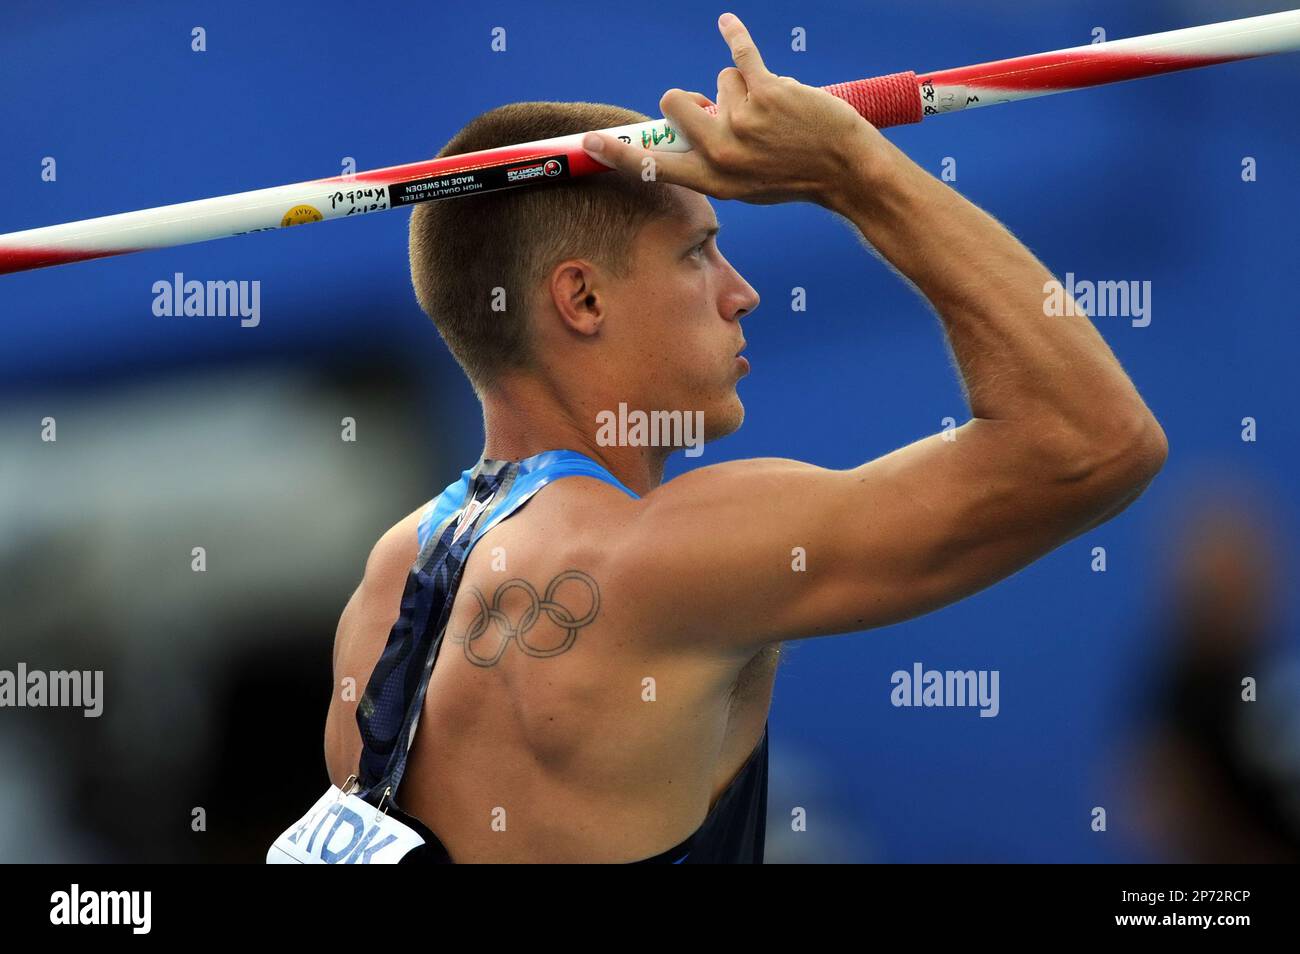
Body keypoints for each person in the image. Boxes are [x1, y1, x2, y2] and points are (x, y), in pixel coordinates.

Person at [314, 12, 1167, 863]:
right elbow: (1092, 441)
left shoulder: (384, 587)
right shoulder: (665, 556)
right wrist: (853, 172)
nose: (743, 293)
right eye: (698, 253)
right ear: (582, 300)